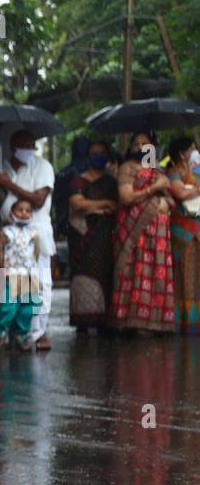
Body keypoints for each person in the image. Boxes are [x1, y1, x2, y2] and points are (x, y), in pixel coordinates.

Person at [0, 130, 54, 350]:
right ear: (12, 146)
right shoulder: (1, 169)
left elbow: (38, 200)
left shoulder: (43, 167)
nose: (27, 149)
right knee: (12, 294)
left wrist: (9, 185)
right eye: (22, 145)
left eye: (30, 145)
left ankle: (38, 333)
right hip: (10, 241)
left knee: (39, 287)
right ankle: (15, 333)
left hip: (36, 236)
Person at [110, 130, 175, 334]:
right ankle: (132, 322)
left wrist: (165, 200)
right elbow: (126, 197)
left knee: (156, 272)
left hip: (159, 235)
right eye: (136, 144)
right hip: (135, 232)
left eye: (144, 144)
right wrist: (154, 188)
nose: (139, 147)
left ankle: (156, 323)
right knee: (136, 270)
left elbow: (171, 200)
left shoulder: (158, 170)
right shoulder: (127, 168)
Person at [67, 139, 119, 333]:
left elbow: (117, 205)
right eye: (94, 153)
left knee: (106, 275)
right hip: (84, 237)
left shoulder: (112, 182)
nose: (98, 156)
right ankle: (83, 320)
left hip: (106, 237)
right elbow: (78, 204)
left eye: (102, 152)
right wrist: (104, 203)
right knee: (84, 275)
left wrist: (100, 206)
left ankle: (104, 320)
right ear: (88, 157)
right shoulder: (78, 180)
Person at [165, 135, 200, 332]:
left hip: (197, 229)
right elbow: (180, 194)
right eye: (192, 149)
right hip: (182, 231)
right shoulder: (173, 172)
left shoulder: (196, 170)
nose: (196, 152)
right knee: (184, 273)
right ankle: (184, 322)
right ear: (182, 153)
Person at [0, 198, 39, 349]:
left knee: (27, 307)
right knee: (9, 306)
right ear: (12, 213)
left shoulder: (33, 234)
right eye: (20, 210)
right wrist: (2, 271)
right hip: (11, 273)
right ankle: (0, 333)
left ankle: (21, 334)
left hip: (28, 274)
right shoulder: (5, 233)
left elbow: (36, 254)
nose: (24, 213)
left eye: (28, 211)